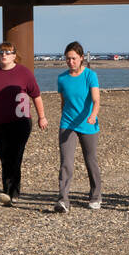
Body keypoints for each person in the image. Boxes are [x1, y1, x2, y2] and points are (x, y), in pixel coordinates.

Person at [0, 41, 47, 205]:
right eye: (1, 53)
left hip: (20, 124)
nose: (4, 55)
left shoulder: (24, 73)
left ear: (14, 55)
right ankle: (9, 190)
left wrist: (42, 117)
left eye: (7, 53)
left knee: (15, 156)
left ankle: (11, 193)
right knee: (5, 157)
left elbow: (36, 95)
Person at [55, 41, 102, 212]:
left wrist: (93, 115)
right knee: (66, 162)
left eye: (74, 58)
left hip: (88, 124)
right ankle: (63, 200)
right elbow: (63, 102)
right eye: (67, 59)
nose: (70, 62)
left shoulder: (90, 76)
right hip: (67, 124)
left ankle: (96, 196)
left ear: (81, 58)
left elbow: (96, 100)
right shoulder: (62, 78)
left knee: (91, 160)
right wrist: (63, 121)